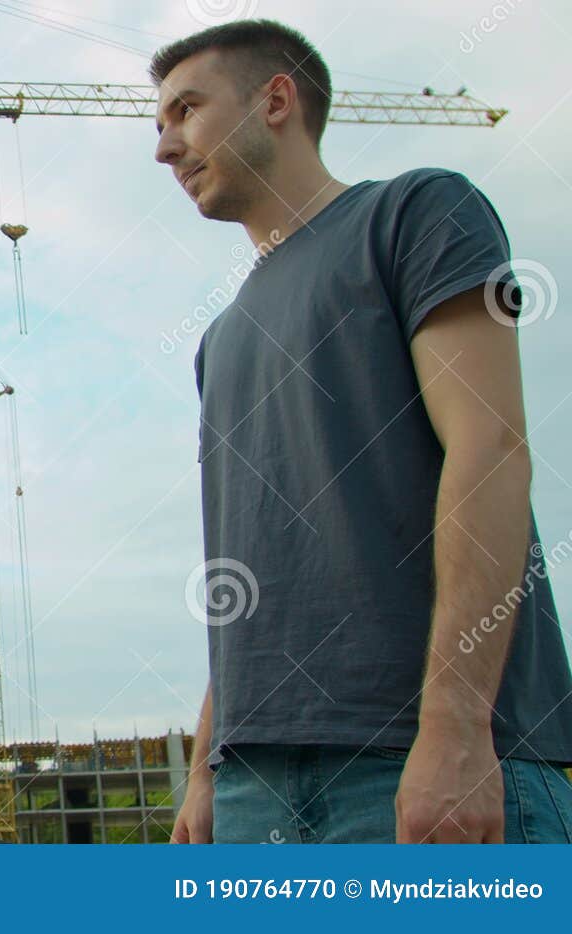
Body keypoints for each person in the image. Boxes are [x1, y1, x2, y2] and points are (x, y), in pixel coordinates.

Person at [151, 19, 572, 843]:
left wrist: (453, 730)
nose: (165, 147)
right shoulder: (220, 338)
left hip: (416, 764)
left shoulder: (417, 213)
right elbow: (249, 562)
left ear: (276, 100)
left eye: (186, 110)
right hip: (252, 790)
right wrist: (206, 767)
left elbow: (489, 452)